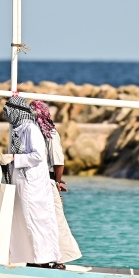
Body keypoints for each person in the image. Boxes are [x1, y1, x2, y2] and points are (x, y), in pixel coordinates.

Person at [1, 96, 63, 268]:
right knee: (23, 222)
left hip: (32, 186)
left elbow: (38, 155)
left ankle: (43, 259)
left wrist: (13, 157)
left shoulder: (30, 129)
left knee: (37, 222)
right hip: (22, 184)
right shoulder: (17, 129)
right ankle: (30, 257)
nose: (5, 114)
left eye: (8, 111)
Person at [31, 101, 82, 263]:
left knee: (55, 221)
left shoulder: (50, 134)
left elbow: (58, 162)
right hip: (39, 181)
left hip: (46, 182)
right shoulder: (35, 133)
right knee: (41, 221)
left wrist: (57, 182)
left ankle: (61, 259)